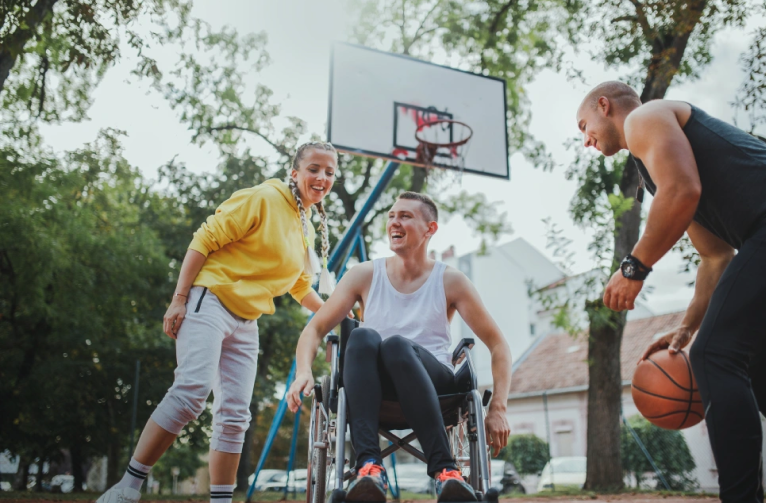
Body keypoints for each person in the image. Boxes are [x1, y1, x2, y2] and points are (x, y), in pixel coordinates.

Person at [576, 81, 766, 503]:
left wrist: (634, 267)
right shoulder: (658, 171)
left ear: (605, 106)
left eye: (584, 125)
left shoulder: (646, 117)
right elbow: (716, 256)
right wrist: (686, 330)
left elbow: (683, 191)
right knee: (764, 379)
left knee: (716, 356)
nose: (585, 140)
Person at [97, 141, 339, 503]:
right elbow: (204, 238)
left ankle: (221, 501)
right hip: (210, 300)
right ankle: (127, 488)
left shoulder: (303, 223)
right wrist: (179, 300)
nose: (322, 177)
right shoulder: (265, 197)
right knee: (192, 393)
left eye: (329, 172)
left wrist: (336, 314)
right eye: (314, 169)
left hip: (247, 321)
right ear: (295, 173)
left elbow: (299, 285)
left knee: (235, 415)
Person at [287, 192, 512, 503]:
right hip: (373, 390)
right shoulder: (364, 274)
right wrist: (303, 371)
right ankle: (368, 467)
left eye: (405, 216)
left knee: (395, 346)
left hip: (435, 384)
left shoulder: (451, 281)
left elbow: (498, 344)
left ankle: (446, 471)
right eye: (391, 215)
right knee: (362, 337)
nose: (394, 221)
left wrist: (498, 408)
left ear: (430, 229)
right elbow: (314, 329)